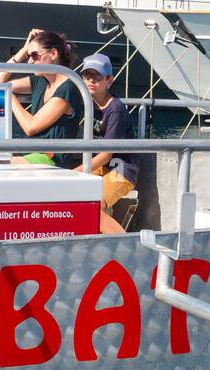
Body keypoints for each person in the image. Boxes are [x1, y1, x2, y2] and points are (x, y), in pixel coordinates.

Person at [0, 29, 82, 168]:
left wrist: (9, 97)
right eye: (28, 56)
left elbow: (30, 127)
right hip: (33, 154)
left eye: (34, 55)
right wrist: (22, 50)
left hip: (53, 160)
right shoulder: (41, 80)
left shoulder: (68, 87)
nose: (30, 61)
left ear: (53, 53)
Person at [72, 53, 141, 235]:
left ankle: (126, 248)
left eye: (98, 77)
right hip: (103, 169)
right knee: (69, 198)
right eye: (87, 76)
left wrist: (72, 174)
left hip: (121, 171)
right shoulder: (91, 105)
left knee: (93, 206)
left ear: (109, 80)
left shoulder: (115, 109)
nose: (91, 81)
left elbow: (106, 154)